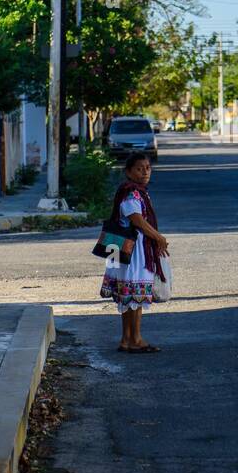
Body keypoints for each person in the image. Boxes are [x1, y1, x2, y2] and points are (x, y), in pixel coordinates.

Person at [100, 151, 169, 353]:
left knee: (128, 295)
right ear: (129, 171)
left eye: (147, 168)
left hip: (122, 249)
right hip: (133, 251)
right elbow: (137, 220)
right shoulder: (132, 193)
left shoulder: (135, 191)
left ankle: (127, 339)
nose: (144, 172)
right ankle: (135, 339)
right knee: (135, 295)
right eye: (139, 168)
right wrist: (159, 237)